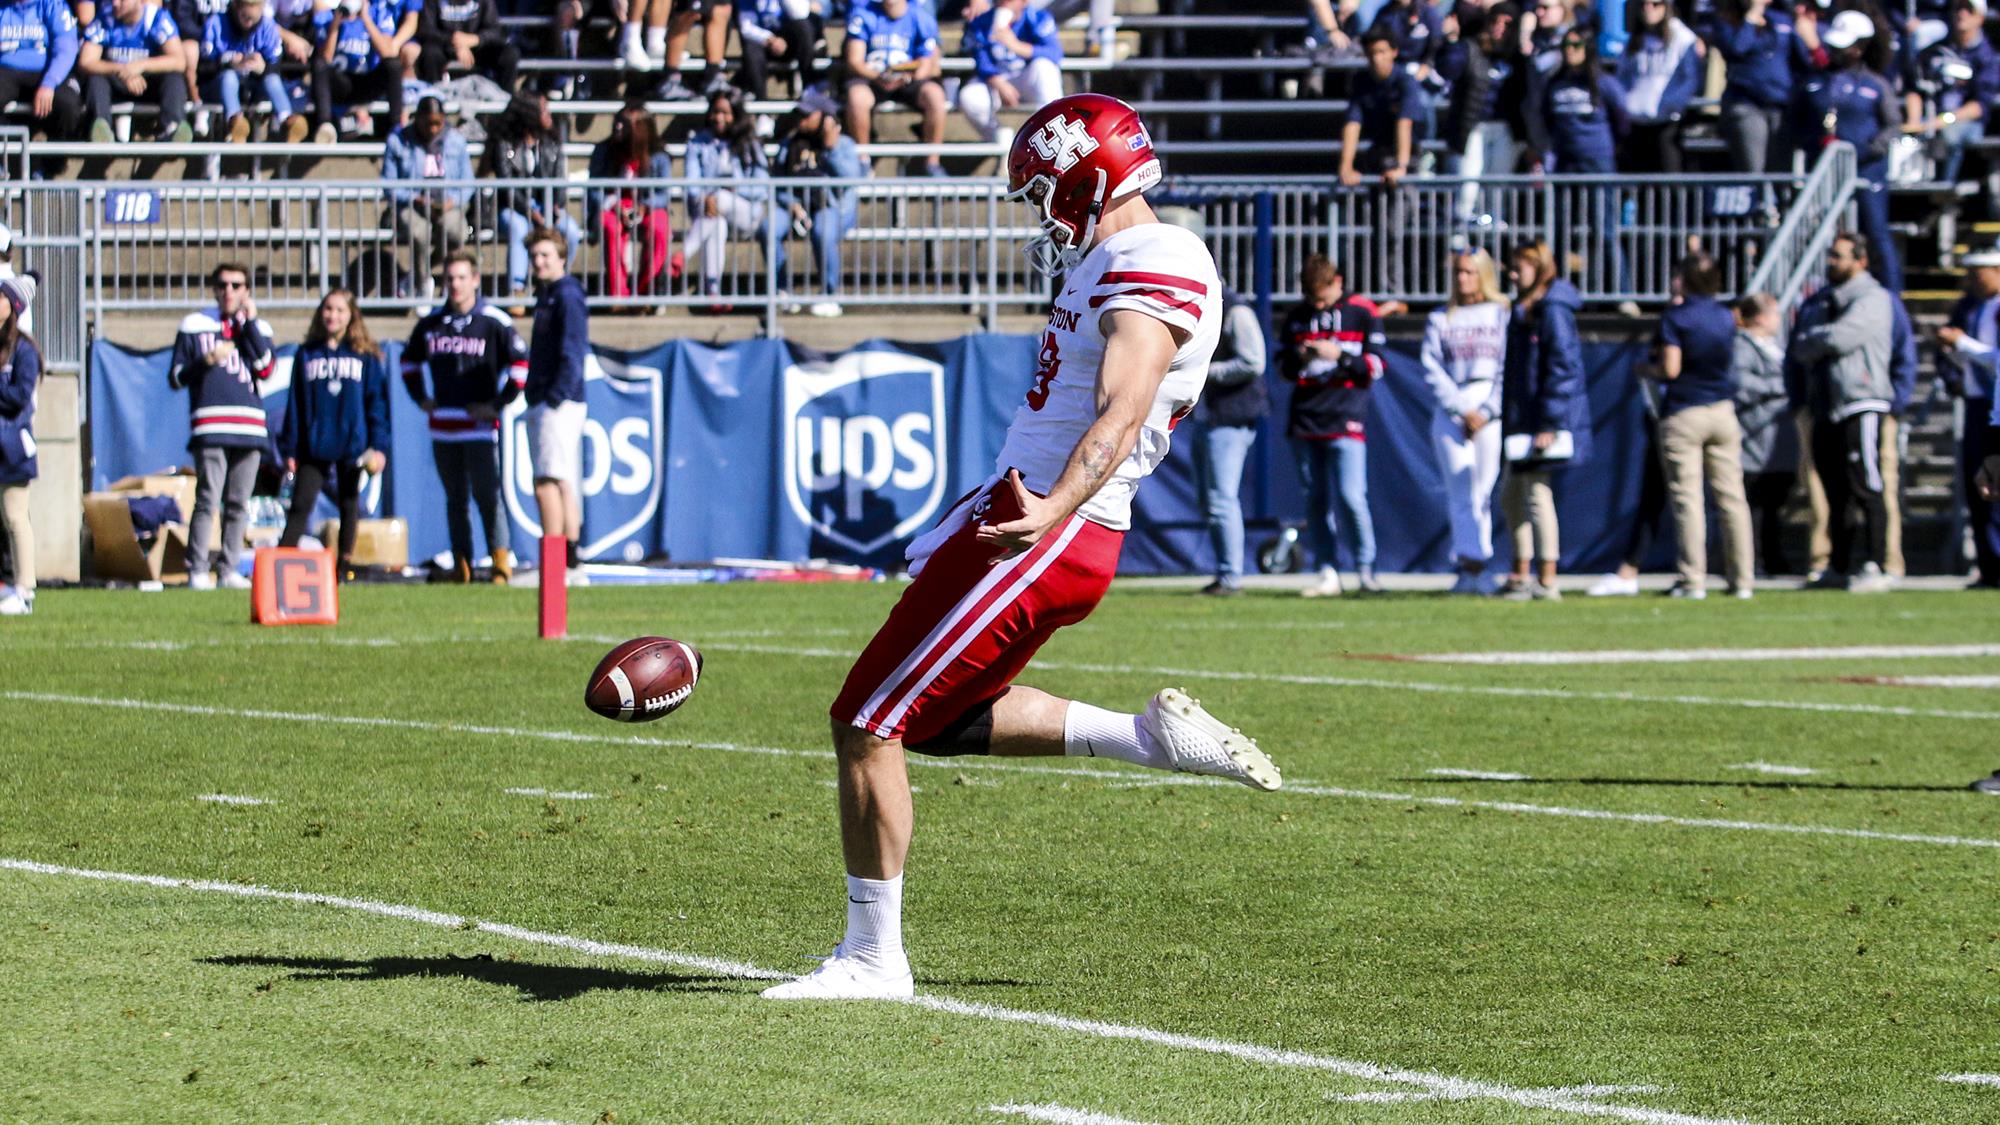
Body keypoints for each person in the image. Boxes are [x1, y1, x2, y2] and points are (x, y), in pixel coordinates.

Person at [761, 94, 1280, 1004]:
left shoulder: (1155, 256)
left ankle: (874, 958)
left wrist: (1049, 511)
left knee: (866, 720)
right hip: (1024, 516)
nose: (1042, 208)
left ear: (1090, 171)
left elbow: (1123, 409)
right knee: (930, 719)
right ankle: (1142, 737)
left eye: (1046, 187)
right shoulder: (1115, 256)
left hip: (1047, 526)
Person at [404, 250, 527, 583]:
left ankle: (500, 561)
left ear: (475, 279)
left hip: (479, 428)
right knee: (455, 498)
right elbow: (408, 364)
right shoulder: (431, 323)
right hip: (444, 426)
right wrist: (421, 399)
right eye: (449, 278)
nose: (455, 285)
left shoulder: (494, 321)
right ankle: (463, 563)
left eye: (461, 277)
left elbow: (520, 367)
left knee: (488, 495)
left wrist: (497, 403)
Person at [1786, 232, 1894, 593]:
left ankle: (1879, 563)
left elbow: (1839, 338)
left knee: (1866, 483)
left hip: (1860, 400)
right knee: (1834, 490)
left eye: (1839, 256)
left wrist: (1814, 339)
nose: (1831, 262)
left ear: (1860, 261)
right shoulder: (1821, 300)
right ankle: (1839, 564)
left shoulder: (1874, 298)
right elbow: (1798, 344)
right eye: (1830, 256)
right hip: (1826, 404)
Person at [1281, 253, 1385, 597]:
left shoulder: (1363, 312)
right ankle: (1327, 570)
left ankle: (1366, 570)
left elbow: (1375, 367)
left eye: (1322, 297)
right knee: (1315, 501)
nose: (1318, 304)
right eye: (1312, 298)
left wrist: (1337, 355)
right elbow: (1282, 368)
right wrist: (1301, 357)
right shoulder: (1297, 317)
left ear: (1337, 282)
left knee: (1352, 496)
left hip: (1346, 416)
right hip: (1306, 418)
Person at [1650, 252, 1753, 598]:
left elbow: (1671, 369)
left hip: (1685, 412)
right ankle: (1743, 580)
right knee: (1732, 499)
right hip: (1722, 410)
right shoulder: (1726, 316)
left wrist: (1645, 370)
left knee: (1689, 501)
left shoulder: (1676, 318)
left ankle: (1693, 579)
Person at [169, 262, 276, 590]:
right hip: (211, 424)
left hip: (250, 427)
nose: (229, 291)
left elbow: (266, 369)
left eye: (236, 285)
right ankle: (198, 569)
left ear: (247, 291)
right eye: (223, 285)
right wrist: (206, 361)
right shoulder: (195, 324)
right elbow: (175, 377)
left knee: (238, 502)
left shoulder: (259, 328)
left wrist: (250, 324)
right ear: (215, 289)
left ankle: (229, 569)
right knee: (207, 498)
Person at [1498, 239, 1589, 600]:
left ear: (1539, 268)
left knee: (1536, 494)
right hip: (1523, 415)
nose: (1513, 273)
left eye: (1520, 267)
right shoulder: (1528, 306)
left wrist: (1550, 422)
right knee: (1511, 494)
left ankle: (1547, 579)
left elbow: (1562, 367)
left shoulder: (1553, 309)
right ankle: (1521, 573)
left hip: (1540, 418)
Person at [278, 289, 389, 579]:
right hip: (315, 445)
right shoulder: (307, 353)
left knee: (349, 503)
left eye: (340, 310)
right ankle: (280, 565)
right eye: (328, 309)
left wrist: (378, 446)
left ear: (352, 315)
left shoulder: (365, 356)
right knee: (301, 503)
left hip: (352, 445)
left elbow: (376, 404)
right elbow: (296, 404)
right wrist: (290, 449)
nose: (333, 315)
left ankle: (343, 569)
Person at [1420, 249, 1508, 593]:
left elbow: (1505, 366)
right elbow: (1432, 367)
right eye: (1458, 271)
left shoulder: (1500, 314)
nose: (1462, 278)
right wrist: (1459, 408)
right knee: (1460, 490)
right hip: (1453, 407)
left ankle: (1481, 563)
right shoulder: (1441, 317)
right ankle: (1468, 564)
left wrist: (1486, 411)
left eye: (1470, 272)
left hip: (1488, 407)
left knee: (1483, 492)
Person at [1800, 11, 1901, 292]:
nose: (1836, 51)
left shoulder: (1875, 84)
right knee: (1821, 235)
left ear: (1859, 47)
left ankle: (1892, 297)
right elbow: (1796, 122)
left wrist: (1871, 149)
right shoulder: (1817, 81)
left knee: (1876, 233)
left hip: (1867, 168)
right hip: (1824, 169)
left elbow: (1893, 125)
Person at [1191, 253, 1268, 597]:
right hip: (1208, 415)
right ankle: (1225, 573)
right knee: (1210, 500)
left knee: (1223, 498)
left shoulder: (1236, 311)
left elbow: (1254, 362)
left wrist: (1207, 373)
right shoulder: (1204, 311)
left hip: (1231, 416)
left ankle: (1231, 576)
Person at [525, 226, 588, 584]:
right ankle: (569, 561)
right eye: (535, 256)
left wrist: (553, 396)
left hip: (558, 399)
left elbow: (572, 351)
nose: (539, 262)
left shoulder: (566, 295)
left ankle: (557, 565)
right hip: (553, 396)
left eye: (546, 255)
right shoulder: (549, 294)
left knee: (548, 481)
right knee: (560, 479)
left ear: (563, 258)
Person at [685, 87, 787, 308]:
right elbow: (692, 185)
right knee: (716, 223)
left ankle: (681, 255)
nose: (719, 118)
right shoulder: (698, 143)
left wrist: (733, 189)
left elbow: (761, 187)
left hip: (746, 213)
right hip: (710, 212)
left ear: (736, 115)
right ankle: (713, 293)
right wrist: (705, 198)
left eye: (725, 112)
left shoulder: (750, 143)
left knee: (719, 198)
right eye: (715, 112)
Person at [1935, 241, 2000, 587]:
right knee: (1981, 488)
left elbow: (1995, 358)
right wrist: (1955, 358)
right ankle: (1990, 567)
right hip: (1979, 406)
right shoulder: (1970, 308)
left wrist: (1962, 344)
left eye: (1980, 274)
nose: (1973, 281)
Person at [481, 91, 582, 305]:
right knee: (519, 228)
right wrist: (531, 212)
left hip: (546, 206)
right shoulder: (505, 144)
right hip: (514, 207)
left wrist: (555, 206)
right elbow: (508, 186)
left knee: (570, 231)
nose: (548, 114)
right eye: (543, 110)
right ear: (529, 115)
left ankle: (557, 283)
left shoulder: (551, 142)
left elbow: (559, 181)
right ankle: (517, 289)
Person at [775, 86, 863, 319]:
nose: (801, 120)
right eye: (800, 115)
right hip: (794, 204)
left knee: (822, 233)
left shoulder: (842, 144)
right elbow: (777, 182)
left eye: (808, 115)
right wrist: (791, 204)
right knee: (768, 228)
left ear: (825, 118)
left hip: (831, 206)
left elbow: (850, 181)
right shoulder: (790, 144)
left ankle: (830, 293)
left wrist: (831, 148)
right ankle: (782, 291)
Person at [1732, 291, 1798, 576]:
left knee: (1775, 503)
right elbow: (1741, 382)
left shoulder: (1776, 346)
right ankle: (1752, 559)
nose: (1778, 319)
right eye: (1774, 313)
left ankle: (1773, 557)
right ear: (1759, 317)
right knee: (1755, 502)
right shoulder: (1742, 346)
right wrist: (1779, 387)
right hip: (1755, 435)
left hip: (1779, 437)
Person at [842, 0, 947, 176]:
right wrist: (878, 76)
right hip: (873, 77)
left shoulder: (920, 17)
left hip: (908, 80)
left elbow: (928, 63)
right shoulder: (863, 15)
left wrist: (907, 77)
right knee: (857, 97)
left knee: (935, 95)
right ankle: (863, 161)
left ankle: (932, 163)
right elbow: (854, 60)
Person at [383, 95, 471, 301]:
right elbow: (388, 184)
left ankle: (435, 277)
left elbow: (467, 182)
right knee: (419, 233)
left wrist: (453, 201)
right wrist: (414, 198)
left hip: (447, 204)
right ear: (418, 119)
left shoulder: (456, 141)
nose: (433, 128)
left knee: (457, 233)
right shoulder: (399, 141)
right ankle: (422, 281)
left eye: (437, 123)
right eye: (428, 123)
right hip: (411, 205)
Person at [587, 101, 675, 303]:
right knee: (610, 226)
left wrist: (645, 207)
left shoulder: (659, 156)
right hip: (612, 205)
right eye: (617, 122)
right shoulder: (604, 151)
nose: (618, 127)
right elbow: (593, 190)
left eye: (625, 124)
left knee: (659, 227)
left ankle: (646, 293)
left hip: (647, 205)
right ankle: (618, 295)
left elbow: (663, 193)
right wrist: (614, 205)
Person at [1903, 0, 1998, 186]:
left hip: (1964, 124)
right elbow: (1914, 88)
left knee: (1950, 135)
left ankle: (1944, 190)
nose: (1961, 13)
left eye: (1968, 9)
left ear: (1980, 17)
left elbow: (1979, 106)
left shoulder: (1987, 57)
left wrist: (1941, 121)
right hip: (1930, 118)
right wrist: (1914, 121)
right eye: (1957, 8)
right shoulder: (1934, 51)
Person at [1440, 2, 1520, 224]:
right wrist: (1451, 41)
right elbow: (1449, 69)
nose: (1499, 28)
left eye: (1507, 23)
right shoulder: (1471, 48)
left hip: (1505, 128)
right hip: (1473, 125)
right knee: (1468, 182)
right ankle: (1460, 237)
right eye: (1495, 21)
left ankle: (1492, 240)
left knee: (1497, 186)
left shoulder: (1517, 57)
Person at [1705, 0, 1803, 175]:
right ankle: (1760, 202)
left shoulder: (1781, 19)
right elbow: (1736, 48)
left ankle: (1781, 202)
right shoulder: (1727, 20)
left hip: (1780, 104)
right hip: (1746, 103)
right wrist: (1752, 15)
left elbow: (1800, 58)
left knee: (1781, 169)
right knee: (1754, 170)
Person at [79, 0, 191, 142]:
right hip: (116, 82)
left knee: (173, 77)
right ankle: (102, 130)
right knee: (95, 78)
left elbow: (179, 61)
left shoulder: (156, 18)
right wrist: (122, 70)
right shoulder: (105, 19)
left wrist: (142, 65)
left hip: (148, 83)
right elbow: (86, 61)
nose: (115, 3)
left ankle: (173, 129)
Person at [201, 0, 307, 143]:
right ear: (236, 7)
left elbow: (275, 65)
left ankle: (287, 120)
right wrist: (229, 62)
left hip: (254, 85)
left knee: (272, 79)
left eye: (253, 17)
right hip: (220, 86)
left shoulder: (268, 27)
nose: (249, 22)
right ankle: (235, 122)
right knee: (229, 77)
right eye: (245, 17)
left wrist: (263, 68)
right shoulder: (216, 24)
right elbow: (203, 68)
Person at [957, 0, 1062, 144]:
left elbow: (1054, 53)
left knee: (1044, 67)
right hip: (995, 79)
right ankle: (1006, 142)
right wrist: (998, 82)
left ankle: (1054, 136)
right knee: (970, 96)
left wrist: (1016, 45)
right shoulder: (981, 21)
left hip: (1027, 76)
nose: (1004, 3)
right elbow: (981, 59)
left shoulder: (1038, 17)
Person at [310, 0, 414, 143]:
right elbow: (326, 59)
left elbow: (388, 52)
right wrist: (335, 24)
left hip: (367, 82)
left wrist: (366, 20)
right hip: (340, 83)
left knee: (393, 65)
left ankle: (397, 125)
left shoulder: (378, 11)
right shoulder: (327, 16)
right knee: (319, 64)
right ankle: (325, 125)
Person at [1614, 0, 1699, 174]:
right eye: (1643, 4)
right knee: (1640, 184)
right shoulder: (1635, 39)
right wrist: (1626, 104)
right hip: (1636, 121)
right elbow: (1622, 76)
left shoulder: (1683, 37)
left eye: (1655, 4)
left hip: (1667, 122)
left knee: (1670, 184)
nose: (1648, 9)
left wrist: (1672, 105)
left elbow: (1691, 79)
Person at [0, 272, 40, 616]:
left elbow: (19, 396)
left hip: (12, 446)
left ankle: (24, 590)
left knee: (15, 517)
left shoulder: (24, 349)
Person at [1339, 28, 1422, 187]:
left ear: (1394, 52)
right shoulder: (1361, 82)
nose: (1377, 59)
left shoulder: (1405, 81)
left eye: (1382, 52)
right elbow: (1352, 124)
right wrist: (1346, 167)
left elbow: (1404, 123)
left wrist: (1401, 167)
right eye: (1372, 53)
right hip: (1378, 151)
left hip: (1408, 152)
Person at [0, 0, 83, 139]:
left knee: (68, 104)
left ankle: (54, 159)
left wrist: (49, 83)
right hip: (7, 70)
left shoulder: (53, 5)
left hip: (48, 70)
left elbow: (66, 49)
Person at [404, 0, 515, 92]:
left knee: (509, 54)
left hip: (476, 46)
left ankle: (506, 102)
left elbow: (496, 31)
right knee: (430, 54)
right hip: (443, 44)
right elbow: (425, 30)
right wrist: (455, 41)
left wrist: (476, 39)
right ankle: (433, 102)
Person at [736, 0, 823, 97]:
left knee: (803, 28)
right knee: (751, 49)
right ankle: (760, 100)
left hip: (790, 43)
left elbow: (800, 14)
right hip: (764, 44)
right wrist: (770, 39)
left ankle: (809, 89)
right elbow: (746, 28)